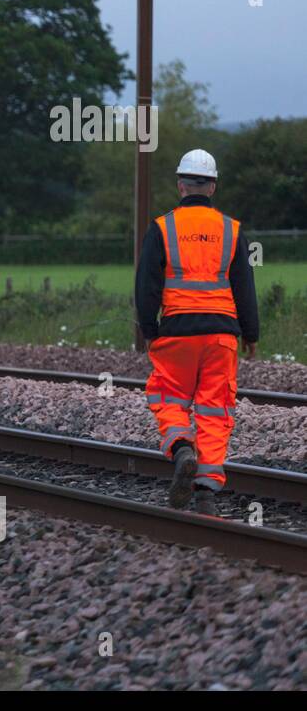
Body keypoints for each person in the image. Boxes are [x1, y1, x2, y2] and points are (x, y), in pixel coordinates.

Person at [135, 149, 258, 516]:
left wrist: (149, 328)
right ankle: (206, 491)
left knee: (170, 397)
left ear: (180, 184)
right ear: (213, 186)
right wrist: (250, 332)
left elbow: (146, 283)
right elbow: (244, 285)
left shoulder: (162, 227)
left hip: (177, 329)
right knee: (215, 408)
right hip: (222, 333)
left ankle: (181, 447)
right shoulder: (232, 230)